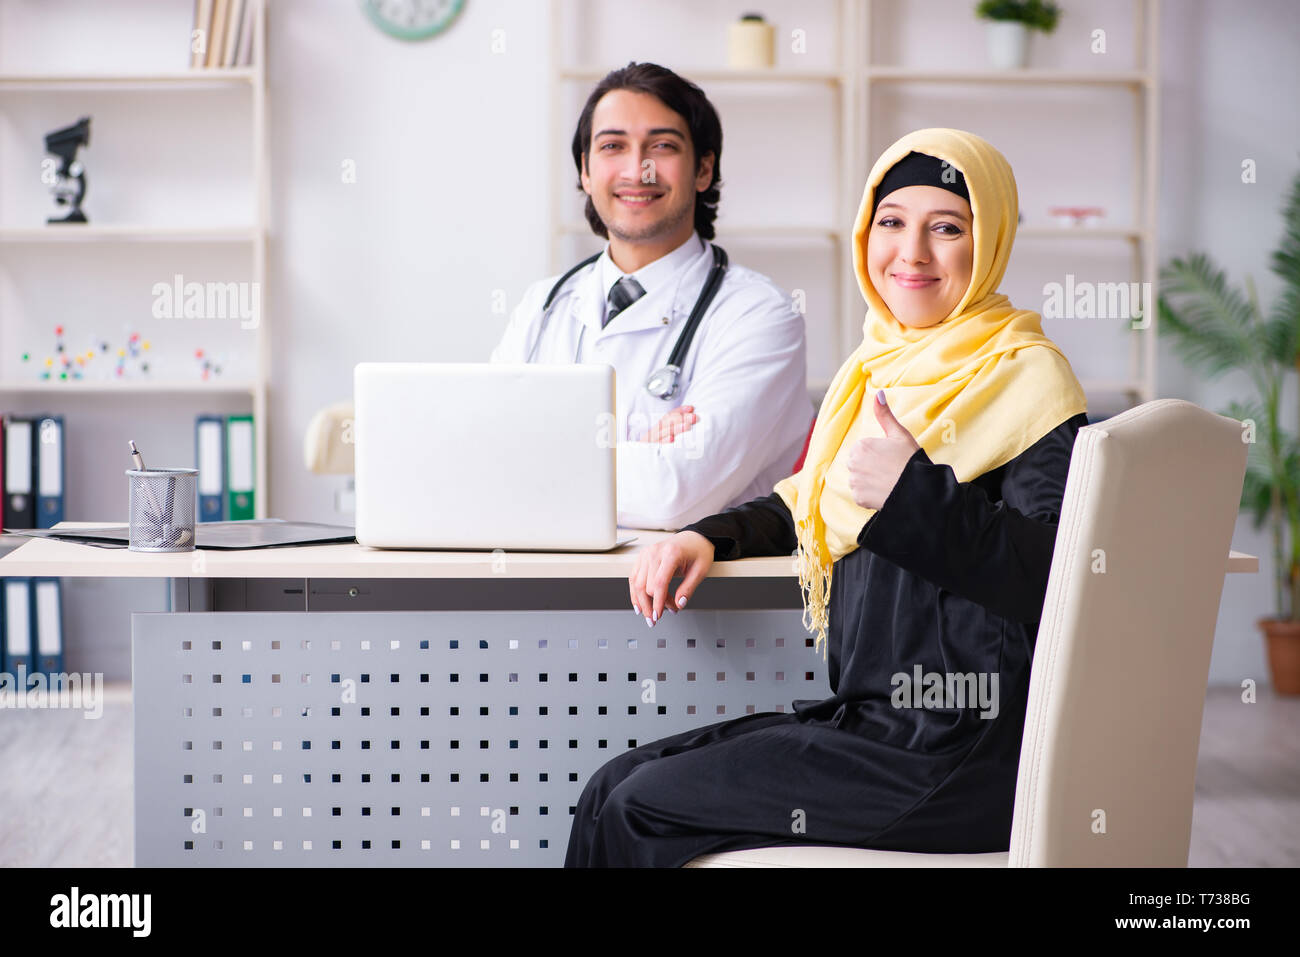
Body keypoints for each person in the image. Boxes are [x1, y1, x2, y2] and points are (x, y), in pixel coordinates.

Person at [565, 127, 1092, 867]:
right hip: (874, 724)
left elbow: (1058, 575)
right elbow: (809, 499)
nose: (911, 253)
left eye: (946, 228)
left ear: (992, 240)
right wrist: (706, 536)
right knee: (610, 786)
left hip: (960, 747)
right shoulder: (878, 368)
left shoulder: (1030, 376)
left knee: (638, 808)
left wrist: (914, 494)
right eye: (892, 223)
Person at [490, 62, 812, 531]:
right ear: (585, 170)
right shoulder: (542, 306)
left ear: (703, 169)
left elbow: (673, 495)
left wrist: (537, 458)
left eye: (662, 146)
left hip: (701, 598)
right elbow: (484, 460)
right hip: (545, 585)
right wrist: (644, 452)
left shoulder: (760, 315)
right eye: (612, 146)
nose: (637, 168)